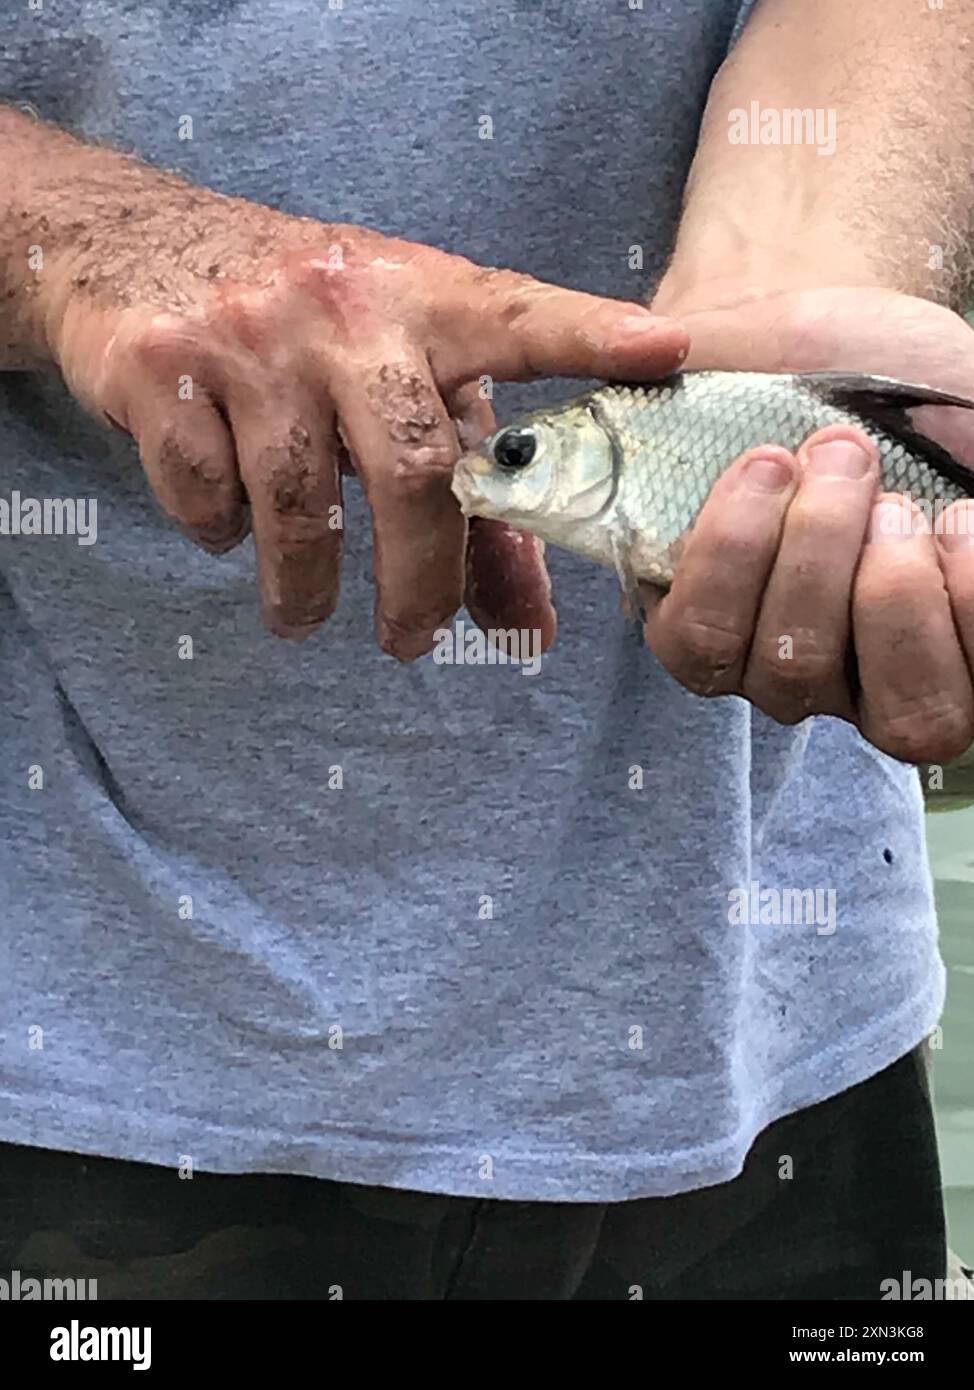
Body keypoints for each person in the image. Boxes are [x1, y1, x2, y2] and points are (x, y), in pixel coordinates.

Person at [0, 0, 971, 1300]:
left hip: (782, 1030)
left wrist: (804, 262)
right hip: (89, 1057)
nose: (484, 470)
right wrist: (89, 241)